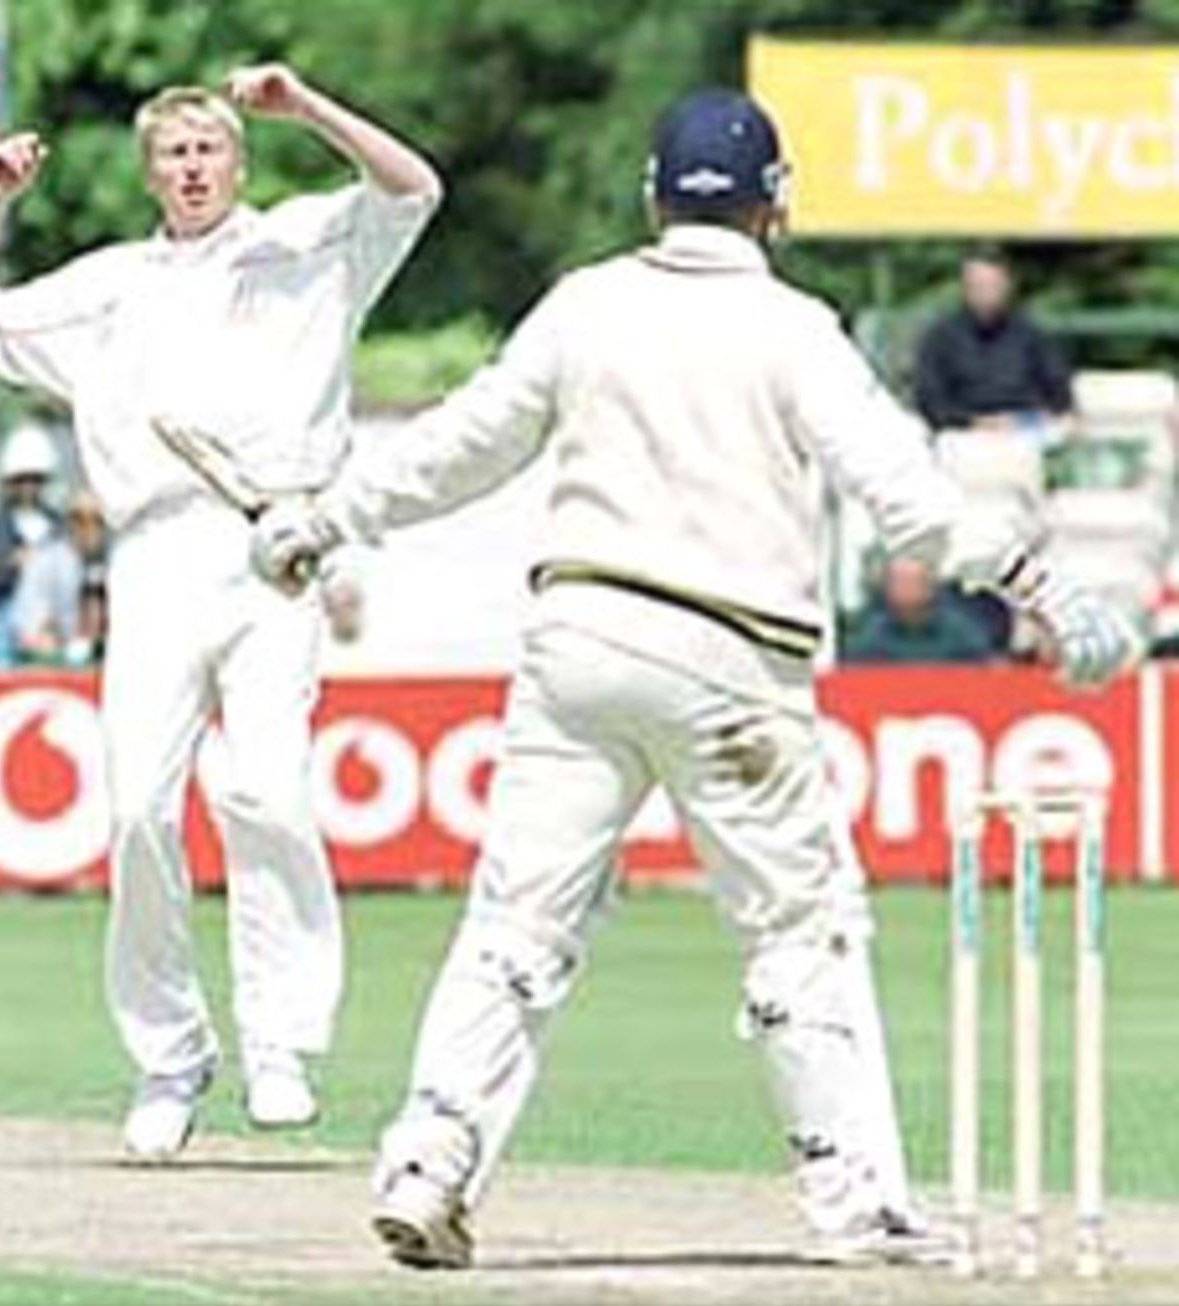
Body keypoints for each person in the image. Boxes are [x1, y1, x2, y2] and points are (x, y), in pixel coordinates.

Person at [250, 89, 1133, 1268]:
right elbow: (907, 499)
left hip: (579, 639)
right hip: (732, 664)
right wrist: (1038, 584)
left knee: (516, 921)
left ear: (649, 199)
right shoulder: (793, 328)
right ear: (775, 203)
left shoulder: (587, 304)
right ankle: (852, 1201)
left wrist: (324, 517)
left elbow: (464, 443)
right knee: (798, 928)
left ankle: (428, 1159)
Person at [0, 64, 441, 1158]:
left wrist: (306, 102)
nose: (192, 168)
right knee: (135, 812)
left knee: (262, 791)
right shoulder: (114, 280)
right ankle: (169, 1055)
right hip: (156, 551)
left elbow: (414, 188)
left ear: (238, 160)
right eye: (171, 153)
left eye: (208, 149)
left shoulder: (307, 241)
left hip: (274, 548)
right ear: (150, 171)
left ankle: (279, 1043)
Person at [913, 249, 1073, 434]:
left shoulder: (1032, 335)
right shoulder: (940, 338)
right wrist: (975, 422)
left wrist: (1038, 418)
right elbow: (930, 400)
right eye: (977, 285)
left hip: (1024, 428)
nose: (985, 293)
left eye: (992, 285)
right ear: (964, 288)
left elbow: (1059, 390)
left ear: (1007, 286)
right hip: (965, 432)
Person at [9, 489, 108, 664]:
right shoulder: (48, 561)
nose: (92, 530)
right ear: (72, 523)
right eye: (82, 521)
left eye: (99, 522)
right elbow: (33, 625)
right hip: (51, 658)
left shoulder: (107, 561)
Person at [844, 555, 994, 665]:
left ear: (929, 587)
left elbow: (987, 672)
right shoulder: (871, 635)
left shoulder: (960, 632)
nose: (904, 589)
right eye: (898, 582)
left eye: (912, 582)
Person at [0, 423, 62, 610]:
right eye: (21, 479)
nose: (28, 486)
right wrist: (15, 563)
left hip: (52, 608)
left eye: (35, 479)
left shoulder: (58, 524)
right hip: (8, 606)